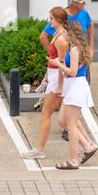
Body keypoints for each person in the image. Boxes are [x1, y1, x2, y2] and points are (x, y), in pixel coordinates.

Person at [53, 12, 98, 168]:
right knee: (62, 121)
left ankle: (73, 160)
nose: (62, 34)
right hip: (72, 86)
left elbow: (72, 72)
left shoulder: (74, 50)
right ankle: (87, 146)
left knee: (71, 124)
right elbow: (71, 71)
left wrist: (58, 64)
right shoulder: (74, 48)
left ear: (70, 32)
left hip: (76, 87)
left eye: (65, 31)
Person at [22, 10, 65, 159]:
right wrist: (47, 77)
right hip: (53, 76)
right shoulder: (57, 35)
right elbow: (54, 59)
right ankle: (87, 145)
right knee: (67, 117)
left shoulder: (61, 39)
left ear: (59, 20)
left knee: (47, 113)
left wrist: (58, 84)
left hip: (57, 79)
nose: (49, 22)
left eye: (52, 19)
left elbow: (61, 63)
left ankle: (39, 150)